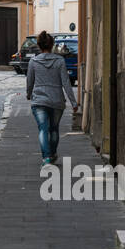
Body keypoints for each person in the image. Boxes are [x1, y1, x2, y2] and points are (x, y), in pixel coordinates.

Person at [26, 30, 78, 165]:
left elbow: (30, 81)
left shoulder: (33, 62)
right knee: (54, 129)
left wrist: (28, 94)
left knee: (43, 129)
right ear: (52, 45)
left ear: (39, 45)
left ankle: (46, 158)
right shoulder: (60, 61)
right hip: (56, 101)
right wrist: (73, 102)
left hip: (39, 100)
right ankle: (53, 153)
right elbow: (66, 83)